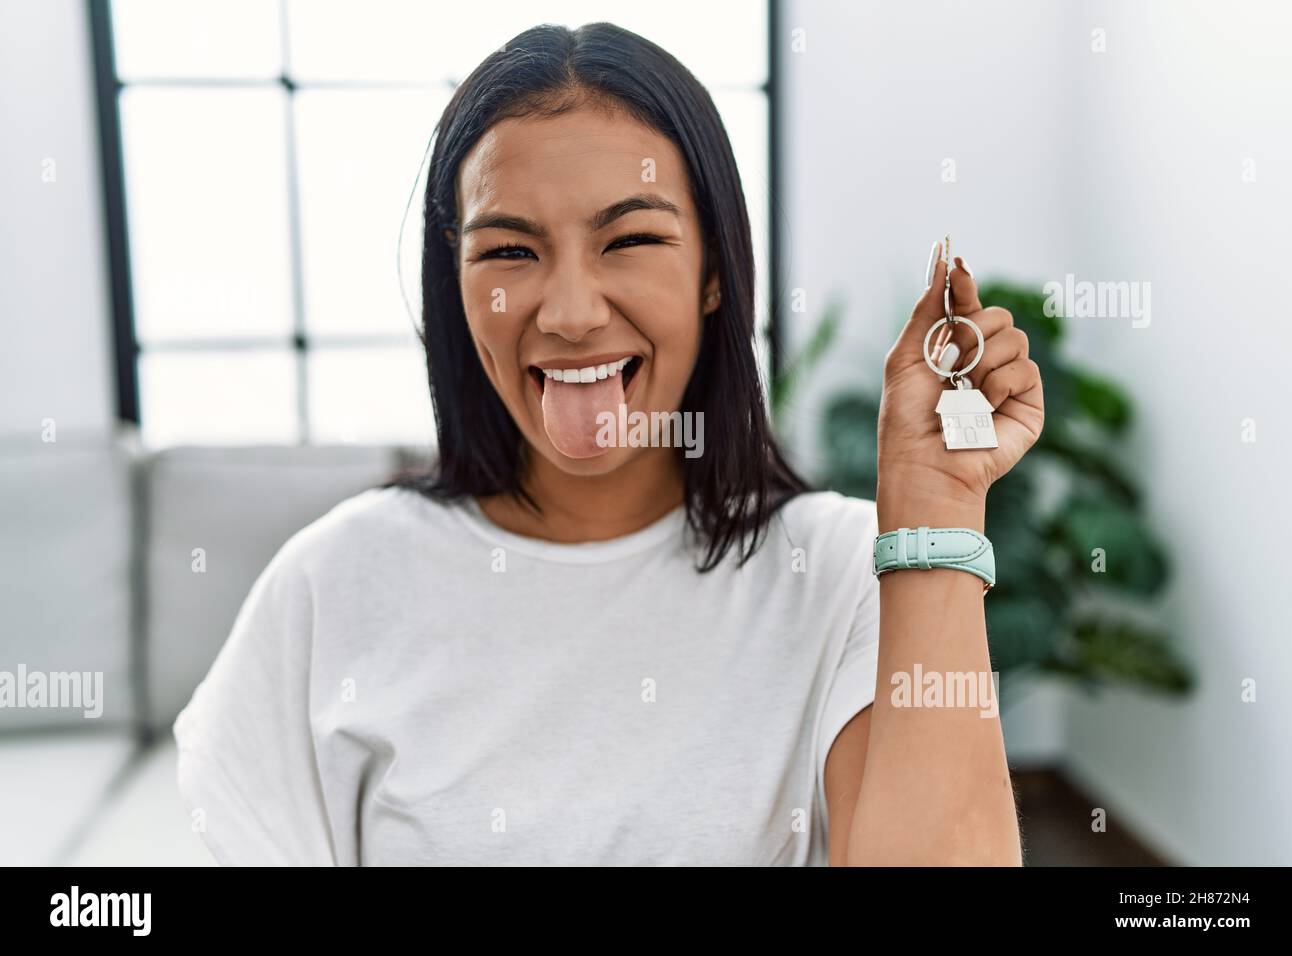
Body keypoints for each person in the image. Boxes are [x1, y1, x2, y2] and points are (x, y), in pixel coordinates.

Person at [173, 21, 1043, 866]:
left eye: (629, 239)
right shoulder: (334, 579)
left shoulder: (845, 570)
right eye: (510, 250)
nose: (572, 312)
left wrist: (933, 505)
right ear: (458, 282)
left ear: (712, 271)